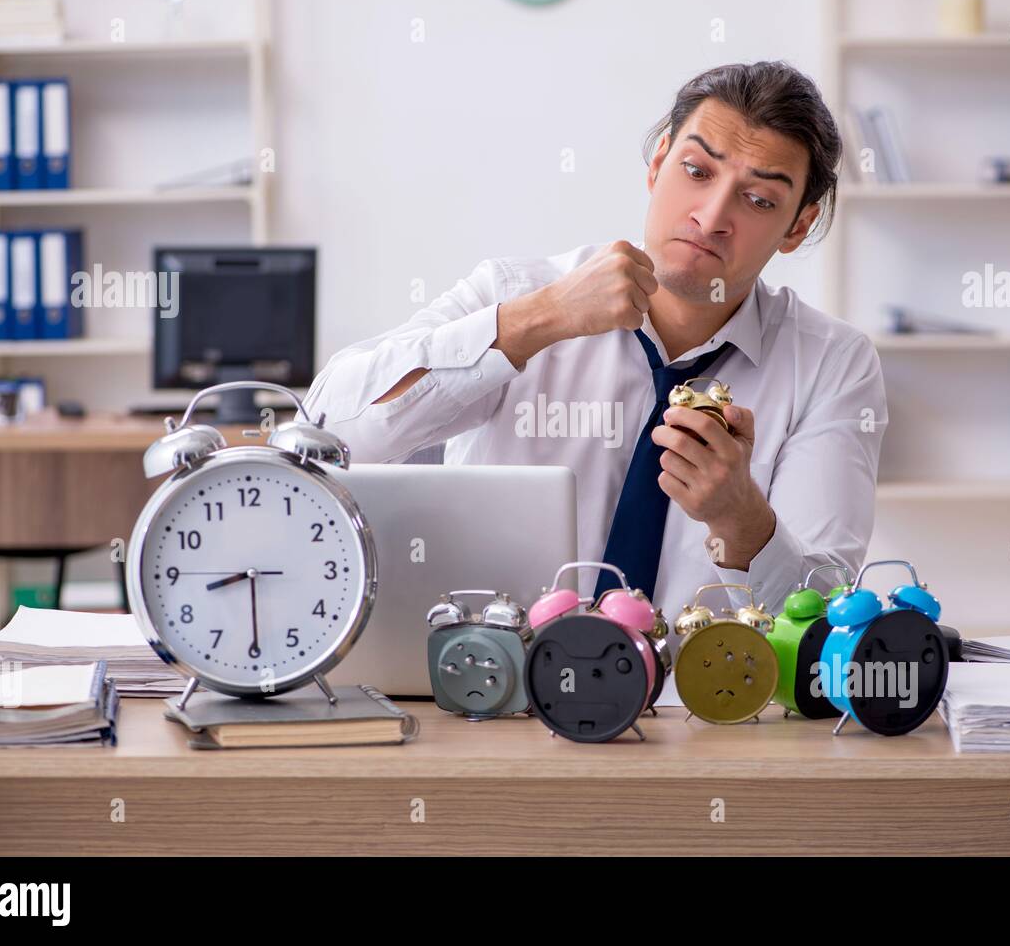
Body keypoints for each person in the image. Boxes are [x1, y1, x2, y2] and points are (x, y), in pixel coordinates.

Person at [305, 60, 887, 658]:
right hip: (495, 698)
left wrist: (742, 522)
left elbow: (826, 628)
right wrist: (537, 322)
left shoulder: (832, 365)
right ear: (658, 164)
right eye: (695, 171)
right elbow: (325, 435)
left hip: (699, 724)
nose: (712, 218)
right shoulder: (516, 293)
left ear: (798, 226)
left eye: (759, 199)